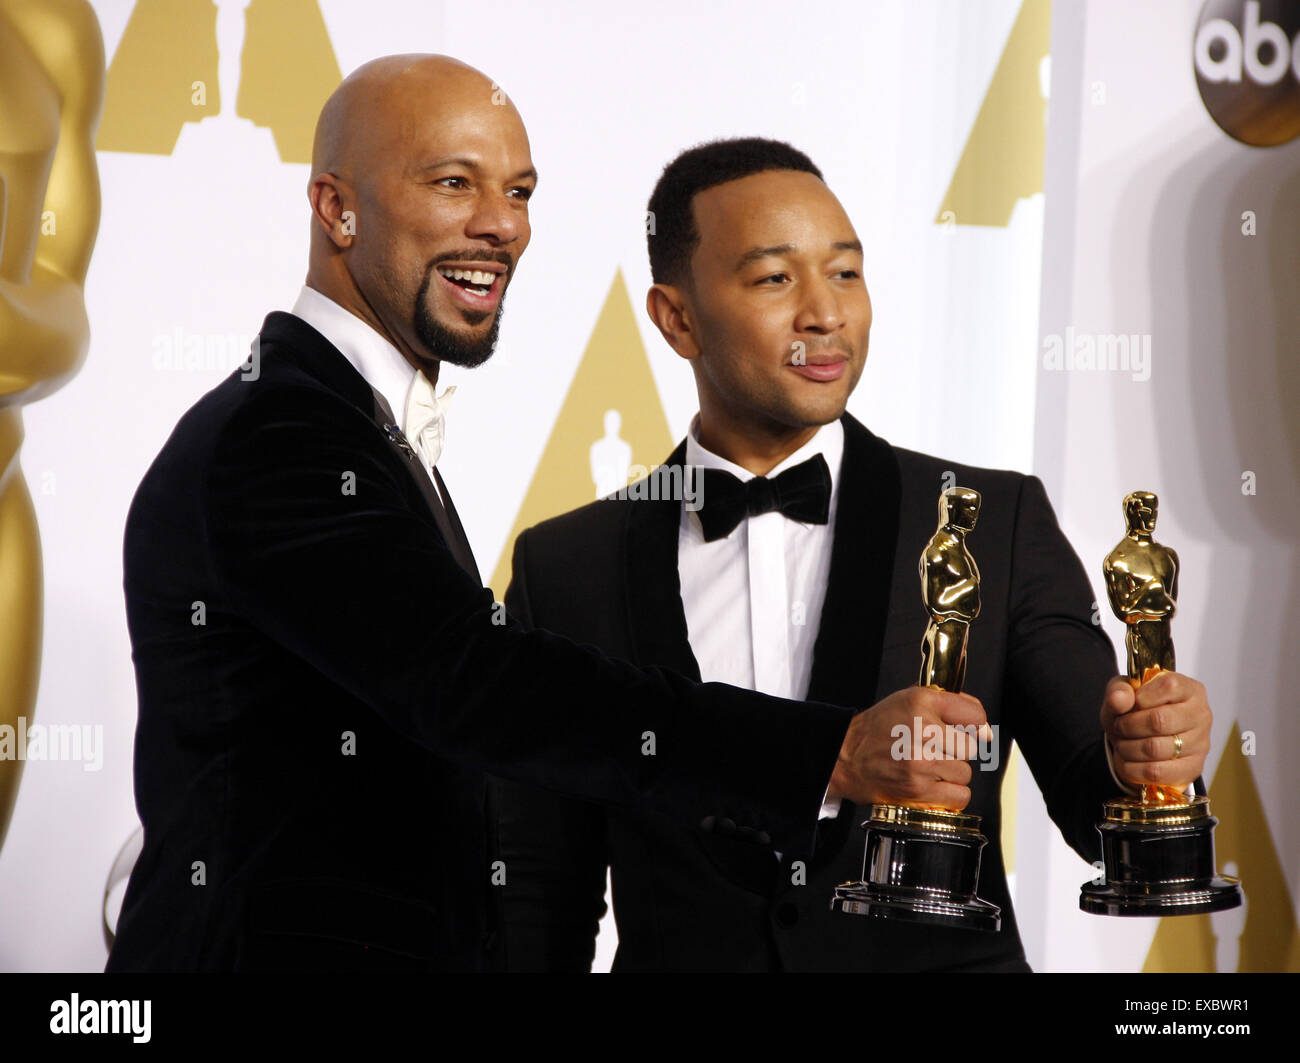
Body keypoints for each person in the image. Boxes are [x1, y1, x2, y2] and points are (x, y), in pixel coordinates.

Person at [106, 62, 893, 972]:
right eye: (454, 183)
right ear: (335, 208)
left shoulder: (358, 427)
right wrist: (816, 754)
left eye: (519, 192)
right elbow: (469, 682)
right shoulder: (280, 430)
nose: (504, 223)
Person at [490, 138, 1214, 972]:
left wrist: (1151, 762)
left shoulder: (993, 521)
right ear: (676, 317)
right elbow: (541, 890)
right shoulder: (566, 566)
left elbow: (1096, 793)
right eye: (774, 278)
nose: (824, 313)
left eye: (845, 273)